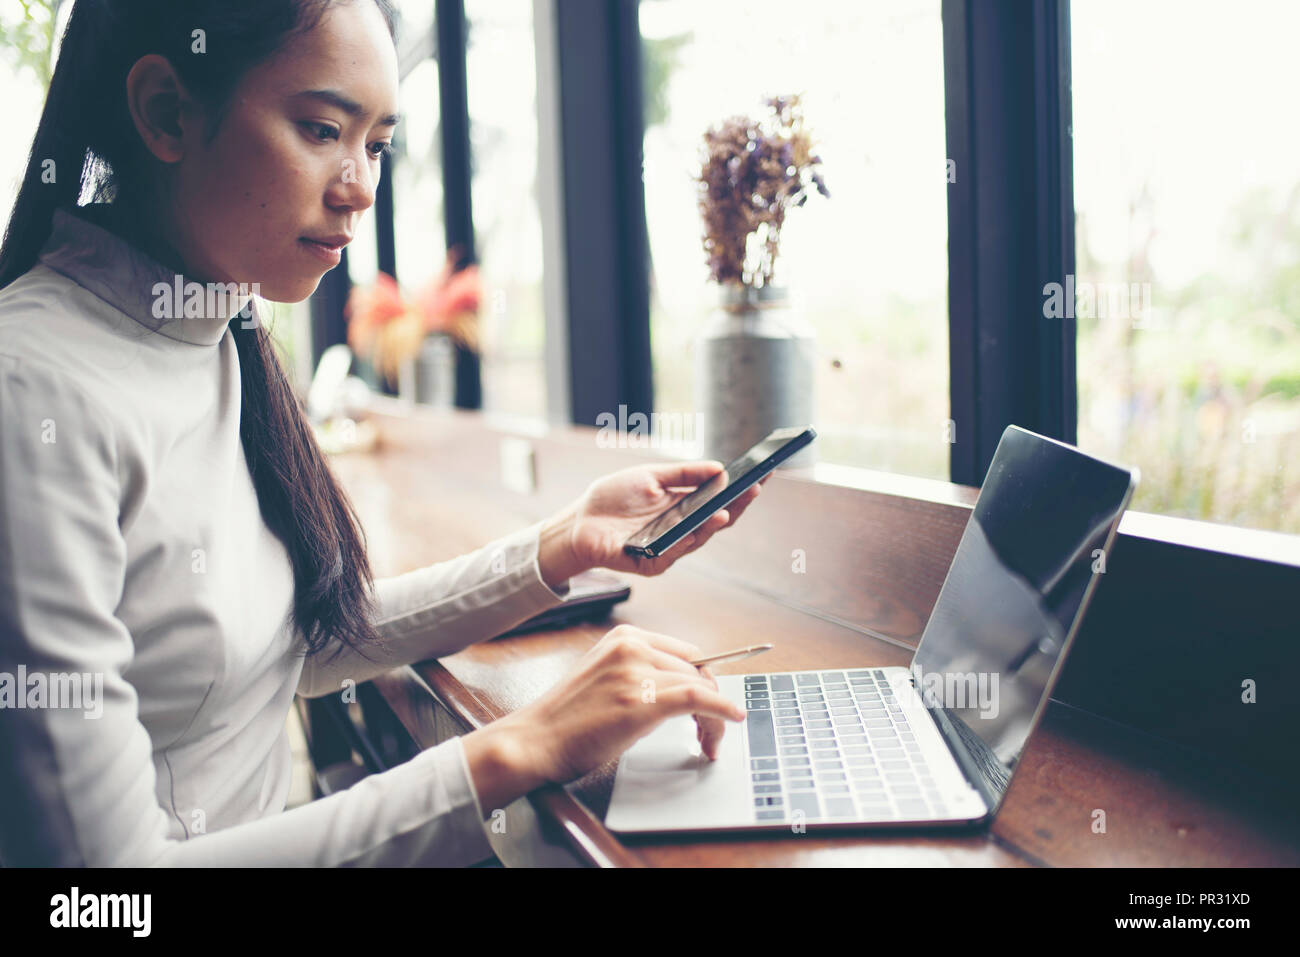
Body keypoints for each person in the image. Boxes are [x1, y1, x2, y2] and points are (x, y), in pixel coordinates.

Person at [0, 0, 760, 866]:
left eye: (377, 144)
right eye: (323, 128)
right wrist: (517, 744)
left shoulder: (208, 330)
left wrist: (558, 547)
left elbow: (291, 642)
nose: (359, 186)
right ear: (168, 112)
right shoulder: (34, 392)